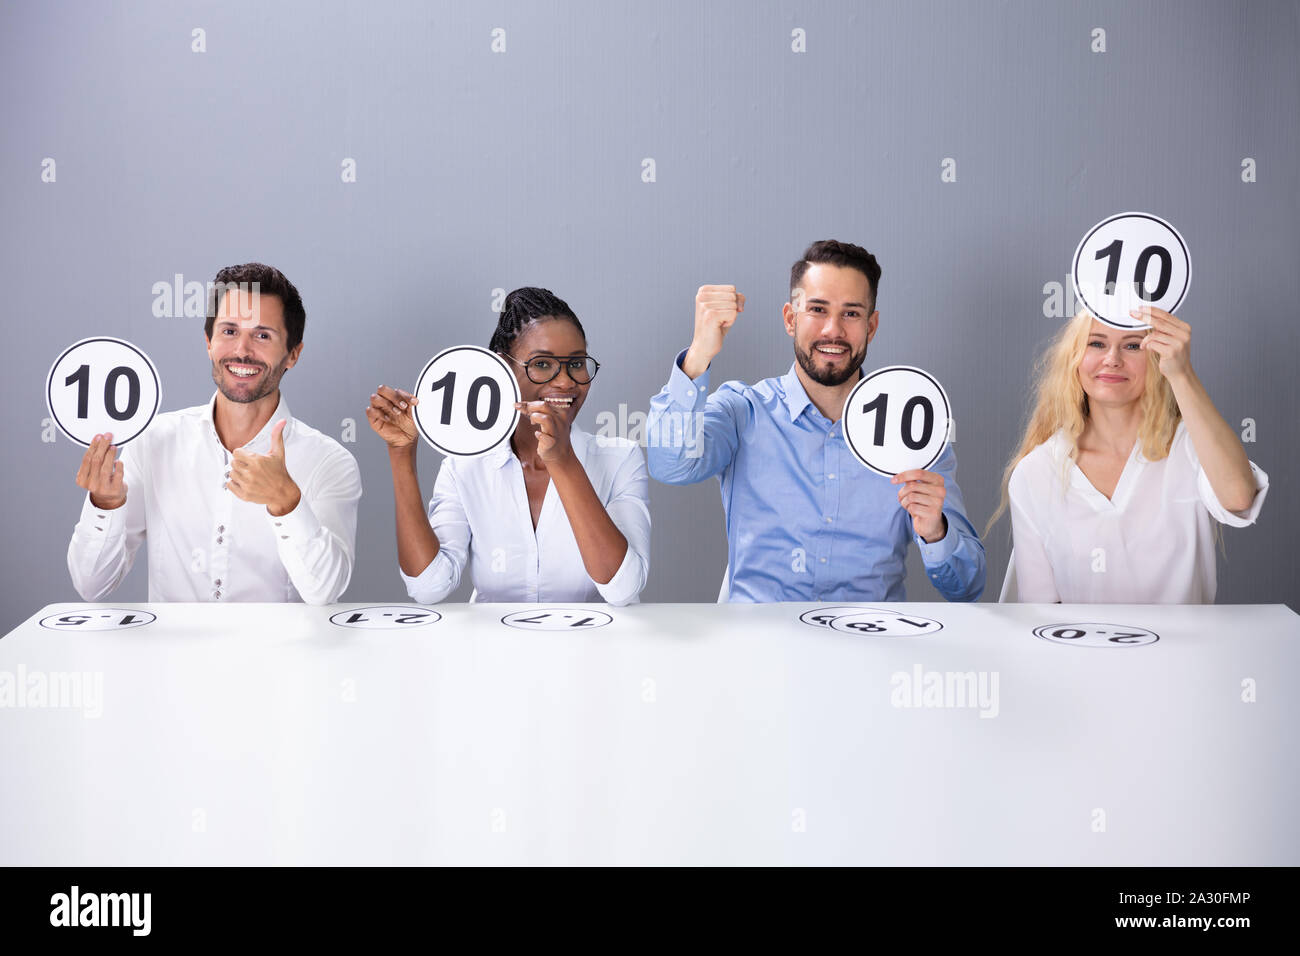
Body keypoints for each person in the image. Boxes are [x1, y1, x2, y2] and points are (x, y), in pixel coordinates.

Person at [646, 239, 986, 603]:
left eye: (851, 313)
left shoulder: (914, 434)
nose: (832, 330)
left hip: (870, 648)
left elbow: (967, 587)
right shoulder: (744, 410)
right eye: (818, 310)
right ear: (791, 319)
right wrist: (698, 355)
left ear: (871, 326)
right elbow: (670, 465)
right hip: (758, 649)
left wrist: (936, 531)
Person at [67, 263, 362, 605]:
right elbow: (91, 587)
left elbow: (324, 592)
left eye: (263, 335)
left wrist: (286, 502)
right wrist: (105, 505)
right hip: (170, 657)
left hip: (280, 658)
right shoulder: (153, 442)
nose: (242, 350)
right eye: (229, 331)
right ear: (208, 341)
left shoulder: (329, 462)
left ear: (293, 354)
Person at [368, 287, 650, 605]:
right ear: (502, 370)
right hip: (496, 652)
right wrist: (401, 452)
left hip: (594, 649)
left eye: (577, 363)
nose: (567, 381)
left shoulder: (620, 458)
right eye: (542, 364)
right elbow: (428, 587)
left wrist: (563, 461)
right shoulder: (465, 466)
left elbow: (623, 588)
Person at [991, 307, 1268, 603]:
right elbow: (1039, 611)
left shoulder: (1190, 446)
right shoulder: (1036, 472)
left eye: (1133, 345)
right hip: (1081, 649)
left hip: (1182, 649)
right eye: (1096, 343)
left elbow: (1239, 497)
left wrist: (1182, 374)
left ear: (1156, 357)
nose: (1112, 359)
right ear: (1073, 358)